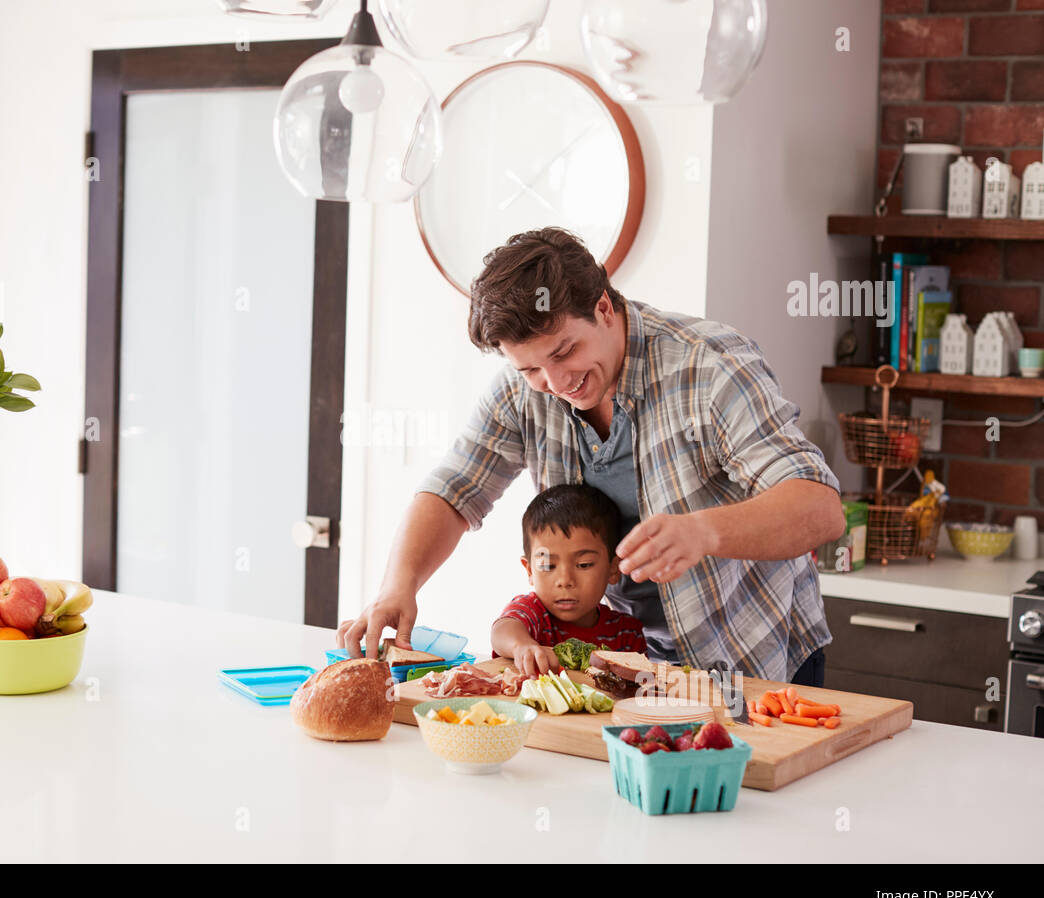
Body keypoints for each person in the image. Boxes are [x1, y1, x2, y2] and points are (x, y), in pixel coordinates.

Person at [336, 227, 844, 685]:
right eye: (531, 369)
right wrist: (397, 584)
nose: (556, 384)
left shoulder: (708, 368)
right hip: (633, 663)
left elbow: (819, 510)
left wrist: (703, 531)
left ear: (603, 308)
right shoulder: (524, 392)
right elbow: (454, 490)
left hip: (752, 657)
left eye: (563, 353)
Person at [492, 483, 647, 678]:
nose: (565, 581)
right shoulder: (533, 613)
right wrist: (522, 646)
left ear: (613, 568)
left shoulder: (627, 634)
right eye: (548, 566)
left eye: (584, 564)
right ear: (530, 570)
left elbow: (640, 689)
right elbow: (503, 629)